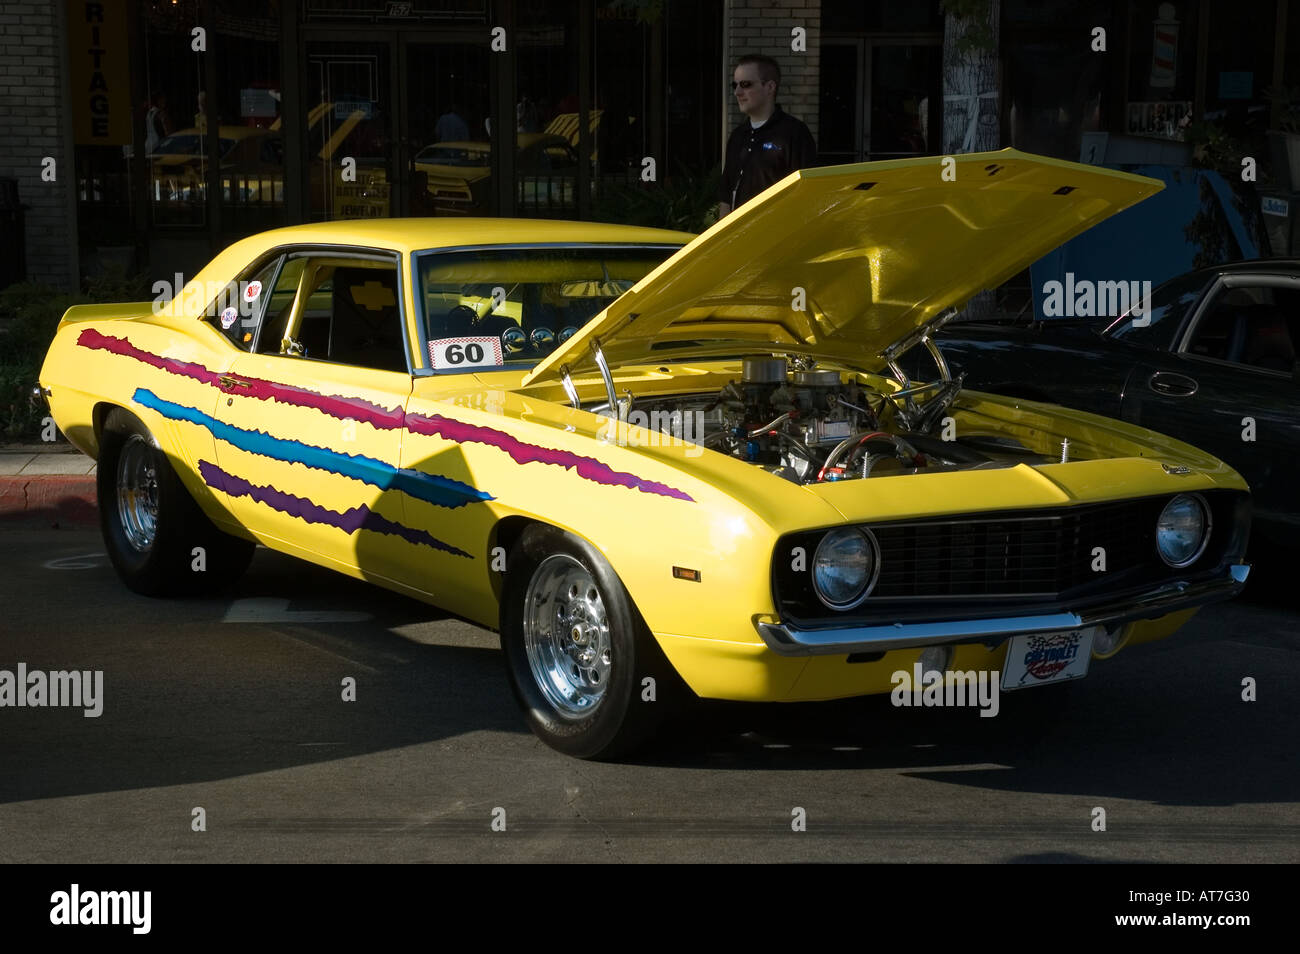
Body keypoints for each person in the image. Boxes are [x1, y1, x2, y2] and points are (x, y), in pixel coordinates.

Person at [717, 54, 817, 219]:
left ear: (770, 87)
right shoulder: (737, 136)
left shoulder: (794, 133)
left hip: (776, 236)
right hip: (741, 237)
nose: (737, 92)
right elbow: (726, 197)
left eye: (746, 84)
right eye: (735, 85)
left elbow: (805, 193)